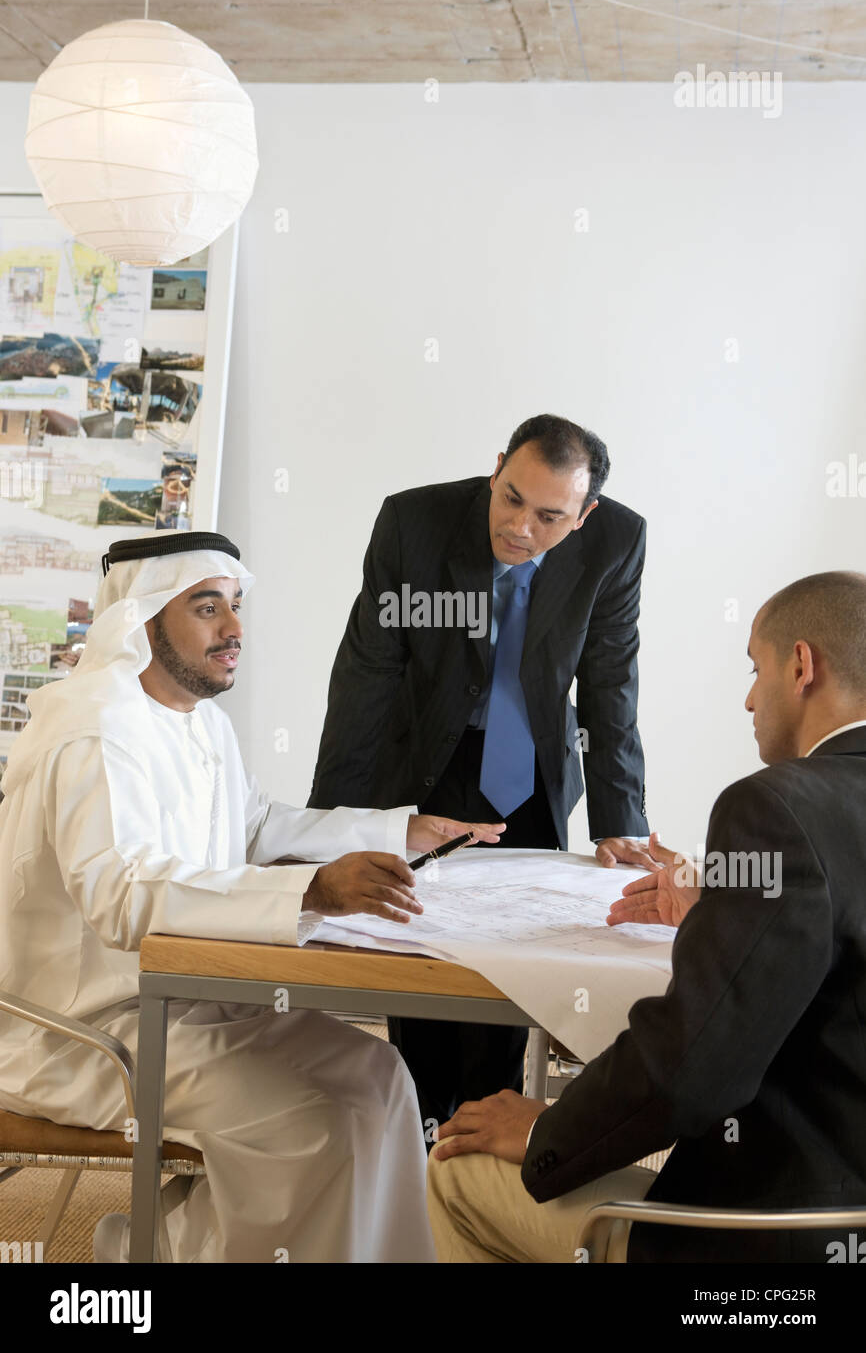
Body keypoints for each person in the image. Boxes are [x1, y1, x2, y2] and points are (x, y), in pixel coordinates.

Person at [0, 530, 501, 1263]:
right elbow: (121, 894)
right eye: (208, 609)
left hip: (185, 1000)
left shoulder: (202, 723)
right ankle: (162, 1251)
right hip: (83, 1032)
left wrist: (401, 830)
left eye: (235, 607)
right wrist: (313, 888)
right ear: (140, 619)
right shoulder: (92, 728)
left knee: (382, 1077)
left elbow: (257, 824)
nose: (235, 630)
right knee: (316, 1120)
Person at [427, 571, 866, 1263]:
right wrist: (716, 920)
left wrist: (546, 1129)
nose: (750, 699)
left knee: (457, 1165)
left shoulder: (775, 807)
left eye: (756, 670)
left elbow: (691, 1075)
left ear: (802, 666)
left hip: (765, 1247)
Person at [309, 413, 655, 1131]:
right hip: (424, 758)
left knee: (517, 958)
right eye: (510, 498)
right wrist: (332, 826)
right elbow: (367, 675)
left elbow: (608, 685)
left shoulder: (617, 542)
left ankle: (480, 1136)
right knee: (414, 949)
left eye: (549, 515)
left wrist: (623, 824)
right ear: (497, 467)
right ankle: (421, 1132)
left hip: (526, 768)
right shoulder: (415, 522)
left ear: (583, 515)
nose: (521, 527)